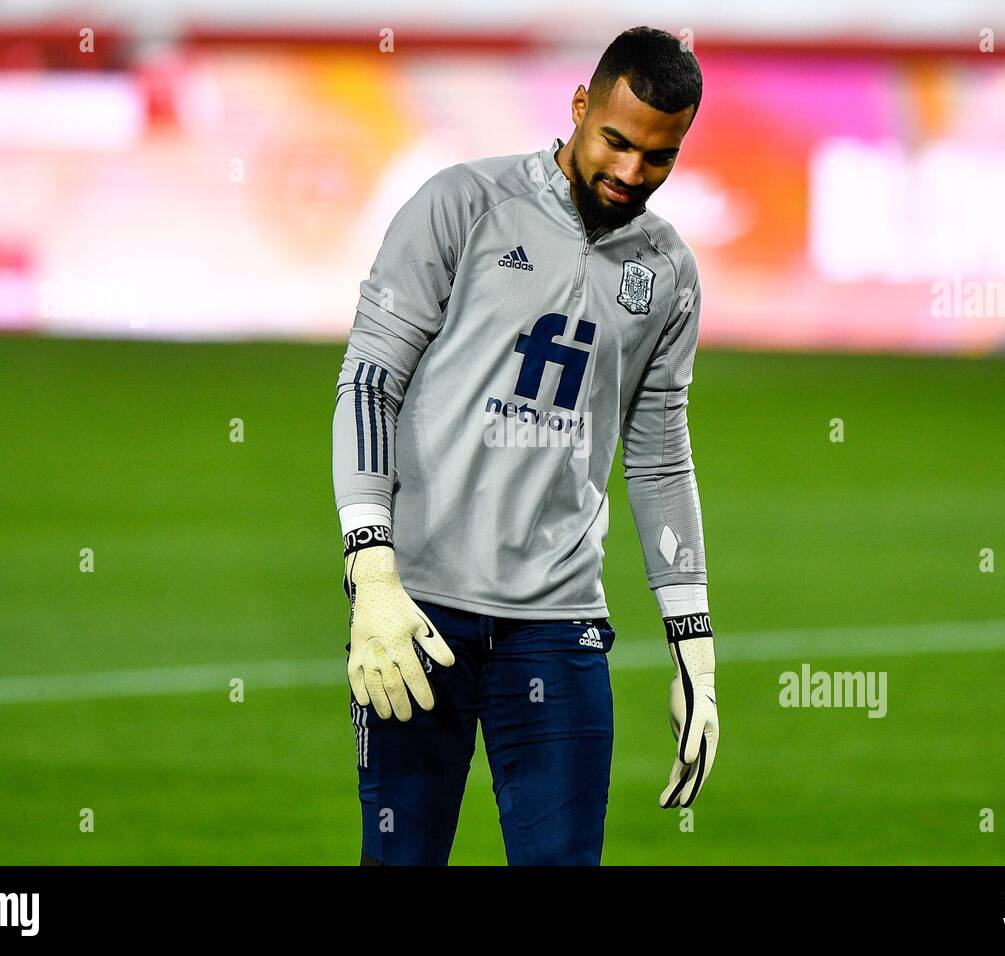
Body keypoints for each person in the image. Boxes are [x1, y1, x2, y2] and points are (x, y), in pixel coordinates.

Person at [332, 26, 717, 865]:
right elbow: (369, 382)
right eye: (615, 141)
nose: (629, 174)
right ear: (580, 107)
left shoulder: (670, 272)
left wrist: (696, 644)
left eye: (659, 157)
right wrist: (371, 567)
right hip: (418, 614)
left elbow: (659, 456)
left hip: (559, 624)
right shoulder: (461, 204)